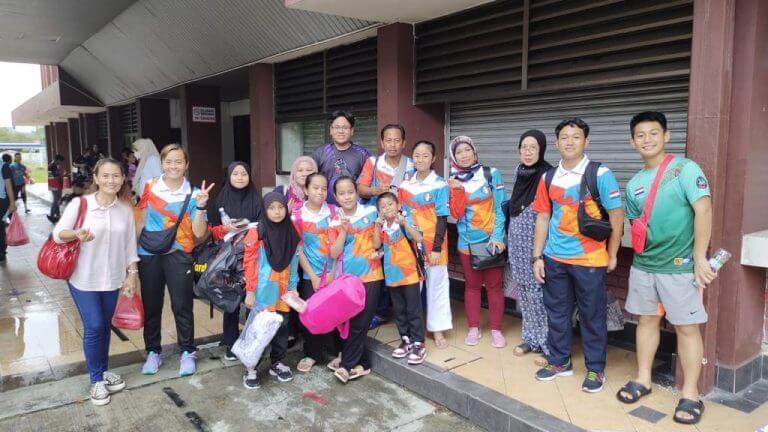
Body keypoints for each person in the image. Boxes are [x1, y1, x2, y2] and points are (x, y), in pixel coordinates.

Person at [617, 112, 715, 424]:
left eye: (653, 133)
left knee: (687, 328)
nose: (647, 139)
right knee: (646, 321)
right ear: (632, 143)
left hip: (680, 267)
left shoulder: (685, 169)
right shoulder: (634, 184)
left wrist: (699, 257)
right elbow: (636, 228)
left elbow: (704, 210)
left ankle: (691, 394)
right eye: (641, 135)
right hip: (644, 266)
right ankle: (644, 378)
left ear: (666, 136)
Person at [531, 118, 624, 393]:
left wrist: (613, 253)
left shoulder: (600, 174)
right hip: (554, 257)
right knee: (556, 313)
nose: (569, 142)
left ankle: (595, 368)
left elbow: (618, 217)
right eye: (564, 137)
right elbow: (543, 217)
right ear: (557, 142)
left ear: (587, 141)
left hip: (590, 259)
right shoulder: (548, 177)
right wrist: (537, 257)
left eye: (576, 137)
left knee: (592, 315)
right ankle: (560, 361)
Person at [52, 158, 139, 406]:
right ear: (97, 178)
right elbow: (58, 234)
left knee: (104, 327)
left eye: (116, 176)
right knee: (95, 325)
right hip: (83, 278)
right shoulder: (81, 205)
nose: (111, 180)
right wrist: (76, 233)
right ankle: (96, 381)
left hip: (112, 279)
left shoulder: (125, 209)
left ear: (123, 179)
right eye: (106, 176)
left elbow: (129, 246)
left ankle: (101, 371)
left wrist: (132, 274)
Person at [136, 143, 212, 377]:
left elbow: (199, 233)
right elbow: (139, 221)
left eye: (179, 161)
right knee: (152, 305)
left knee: (182, 305)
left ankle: (187, 351)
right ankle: (152, 352)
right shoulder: (149, 187)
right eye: (169, 161)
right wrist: (129, 256)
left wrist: (200, 206)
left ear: (186, 165)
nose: (173, 166)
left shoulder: (192, 194)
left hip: (178, 255)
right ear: (162, 163)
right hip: (149, 254)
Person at [447, 136, 507, 348]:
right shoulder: (453, 180)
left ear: (474, 152)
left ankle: (496, 330)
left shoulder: (491, 174)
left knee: (494, 287)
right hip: (466, 244)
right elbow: (455, 214)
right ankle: (474, 327)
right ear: (454, 156)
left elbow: (501, 208)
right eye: (459, 152)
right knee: (471, 287)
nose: (464, 155)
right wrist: (456, 190)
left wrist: (498, 237)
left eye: (467, 150)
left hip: (491, 242)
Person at [240, 191, 301, 389]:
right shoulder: (256, 232)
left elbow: (293, 262)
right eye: (272, 208)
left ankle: (277, 362)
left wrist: (293, 287)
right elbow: (249, 263)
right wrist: (250, 290)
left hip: (283, 291)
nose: (276, 212)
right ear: (265, 210)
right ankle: (251, 367)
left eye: (281, 207)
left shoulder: (291, 232)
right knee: (258, 330)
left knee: (281, 329)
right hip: (262, 290)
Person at [358, 124, 414, 329]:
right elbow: (361, 189)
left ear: (404, 143)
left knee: (404, 264)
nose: (392, 144)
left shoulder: (411, 164)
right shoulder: (373, 163)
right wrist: (376, 190)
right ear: (382, 143)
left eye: (397, 140)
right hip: (379, 224)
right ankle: (381, 311)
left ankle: (407, 311)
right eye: (388, 140)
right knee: (380, 265)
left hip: (403, 223)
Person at [329, 176, 384, 383]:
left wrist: (378, 229)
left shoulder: (370, 212)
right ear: (335, 196)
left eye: (350, 192)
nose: (347, 197)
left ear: (356, 192)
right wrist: (343, 230)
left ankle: (347, 365)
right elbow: (334, 253)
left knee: (361, 322)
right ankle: (363, 364)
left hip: (371, 274)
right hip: (347, 279)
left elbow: (378, 244)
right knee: (349, 320)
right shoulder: (335, 221)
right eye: (341, 193)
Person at [207, 162, 264, 360]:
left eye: (244, 174)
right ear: (229, 177)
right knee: (231, 301)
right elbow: (211, 231)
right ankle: (230, 342)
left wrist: (251, 230)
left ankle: (250, 343)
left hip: (252, 258)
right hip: (228, 260)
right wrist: (226, 229)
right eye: (236, 174)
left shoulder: (257, 201)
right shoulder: (220, 200)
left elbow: (264, 228)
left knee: (251, 301)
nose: (240, 177)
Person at [398, 140, 452, 348]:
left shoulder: (439, 185)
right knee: (412, 289)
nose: (421, 159)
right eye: (417, 155)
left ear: (433, 159)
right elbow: (401, 215)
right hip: (410, 246)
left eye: (425, 155)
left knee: (437, 286)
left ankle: (437, 330)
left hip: (434, 245)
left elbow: (442, 218)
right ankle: (413, 331)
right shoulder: (405, 185)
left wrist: (437, 247)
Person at [506, 130, 553, 366]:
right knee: (524, 291)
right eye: (524, 146)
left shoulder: (547, 175)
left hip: (536, 244)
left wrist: (540, 252)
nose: (527, 151)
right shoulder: (520, 172)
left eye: (533, 147)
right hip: (517, 241)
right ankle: (531, 338)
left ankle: (547, 344)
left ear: (541, 149)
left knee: (539, 293)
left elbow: (548, 215)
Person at [293, 173, 341, 373]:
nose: (320, 192)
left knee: (338, 313)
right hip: (309, 274)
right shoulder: (297, 216)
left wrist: (332, 271)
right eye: (315, 188)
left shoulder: (334, 212)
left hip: (335, 272)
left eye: (324, 188)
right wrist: (312, 276)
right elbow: (299, 249)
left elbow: (341, 244)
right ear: (305, 190)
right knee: (310, 313)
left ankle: (338, 351)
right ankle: (312, 353)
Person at [372, 192, 426, 364]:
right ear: (379, 210)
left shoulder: (405, 219)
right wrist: (376, 225)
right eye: (383, 206)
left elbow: (418, 238)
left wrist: (405, 224)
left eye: (390, 204)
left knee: (413, 310)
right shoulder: (381, 226)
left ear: (398, 205)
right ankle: (406, 340)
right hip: (392, 275)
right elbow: (375, 245)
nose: (387, 208)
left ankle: (419, 343)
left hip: (409, 274)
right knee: (399, 310)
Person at [311, 110, 371, 205]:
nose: (341, 131)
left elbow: (370, 183)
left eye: (345, 127)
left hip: (354, 209)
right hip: (326, 210)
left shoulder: (363, 154)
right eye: (337, 127)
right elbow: (311, 182)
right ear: (331, 130)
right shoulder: (320, 153)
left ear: (352, 131)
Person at [0, 154, 17, 262]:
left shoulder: (4, 166)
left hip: (1, 200)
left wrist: (12, 203)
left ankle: (1, 250)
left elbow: (8, 185)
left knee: (0, 227)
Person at [47, 154, 65, 223]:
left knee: (58, 200)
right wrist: (60, 173)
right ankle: (51, 215)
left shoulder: (55, 166)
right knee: (56, 200)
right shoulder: (51, 166)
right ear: (57, 160)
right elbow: (51, 177)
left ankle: (57, 215)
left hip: (57, 184)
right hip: (54, 185)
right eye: (60, 161)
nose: (61, 163)